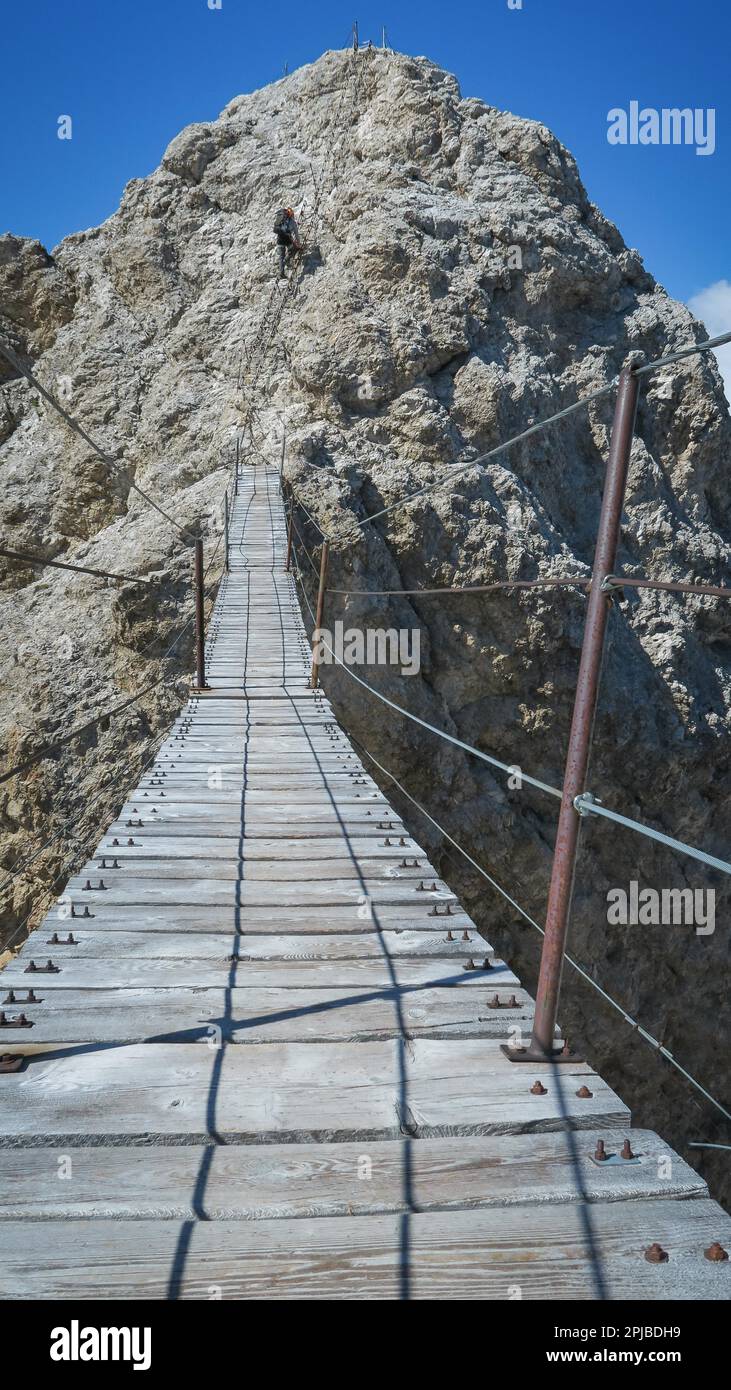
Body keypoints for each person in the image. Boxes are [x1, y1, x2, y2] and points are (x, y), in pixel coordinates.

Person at [273, 206, 302, 278]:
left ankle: (281, 273)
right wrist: (298, 244)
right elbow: (296, 234)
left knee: (281, 256)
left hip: (280, 239)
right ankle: (286, 260)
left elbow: (276, 229)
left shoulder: (280, 220)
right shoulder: (292, 222)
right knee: (293, 249)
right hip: (287, 239)